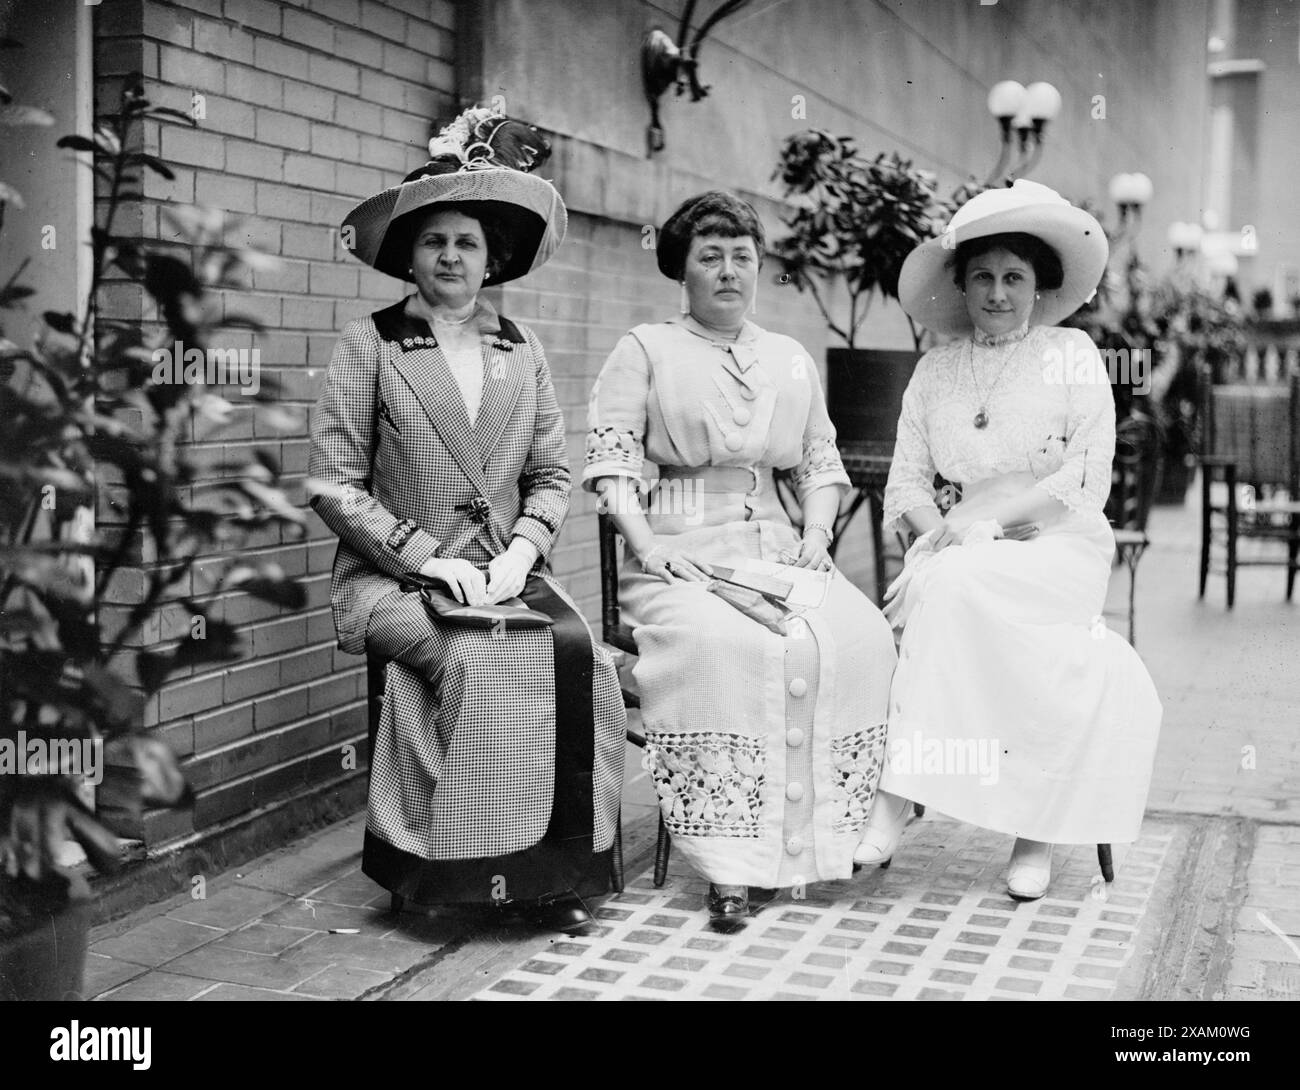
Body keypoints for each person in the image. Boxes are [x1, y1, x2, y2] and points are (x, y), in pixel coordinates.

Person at [308, 107, 625, 935]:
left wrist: (524, 549)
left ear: (493, 261)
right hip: (390, 579)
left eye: (468, 242)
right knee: (483, 662)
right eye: (434, 240)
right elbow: (334, 486)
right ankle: (449, 873)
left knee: (581, 658)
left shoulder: (524, 349)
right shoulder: (370, 344)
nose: (451, 256)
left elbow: (553, 474)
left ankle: (555, 875)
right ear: (409, 256)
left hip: (502, 572)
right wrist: (425, 560)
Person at [584, 191, 897, 931]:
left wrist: (818, 538)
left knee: (863, 634)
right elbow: (613, 466)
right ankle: (732, 864)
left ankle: (833, 838)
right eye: (710, 257)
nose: (729, 271)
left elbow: (820, 463)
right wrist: (650, 546)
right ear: (682, 271)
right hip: (679, 554)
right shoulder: (645, 349)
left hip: (779, 551)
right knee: (730, 646)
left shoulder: (788, 358)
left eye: (743, 258)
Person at [857, 180, 1163, 900]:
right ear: (961, 285)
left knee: (955, 587)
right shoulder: (934, 372)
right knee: (943, 580)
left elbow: (1088, 478)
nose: (998, 293)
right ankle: (897, 799)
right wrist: (939, 536)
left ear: (1039, 287)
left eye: (1014, 278)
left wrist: (990, 529)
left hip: (1058, 539)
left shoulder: (1074, 354)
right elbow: (904, 486)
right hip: (964, 543)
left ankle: (1034, 832)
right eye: (984, 277)